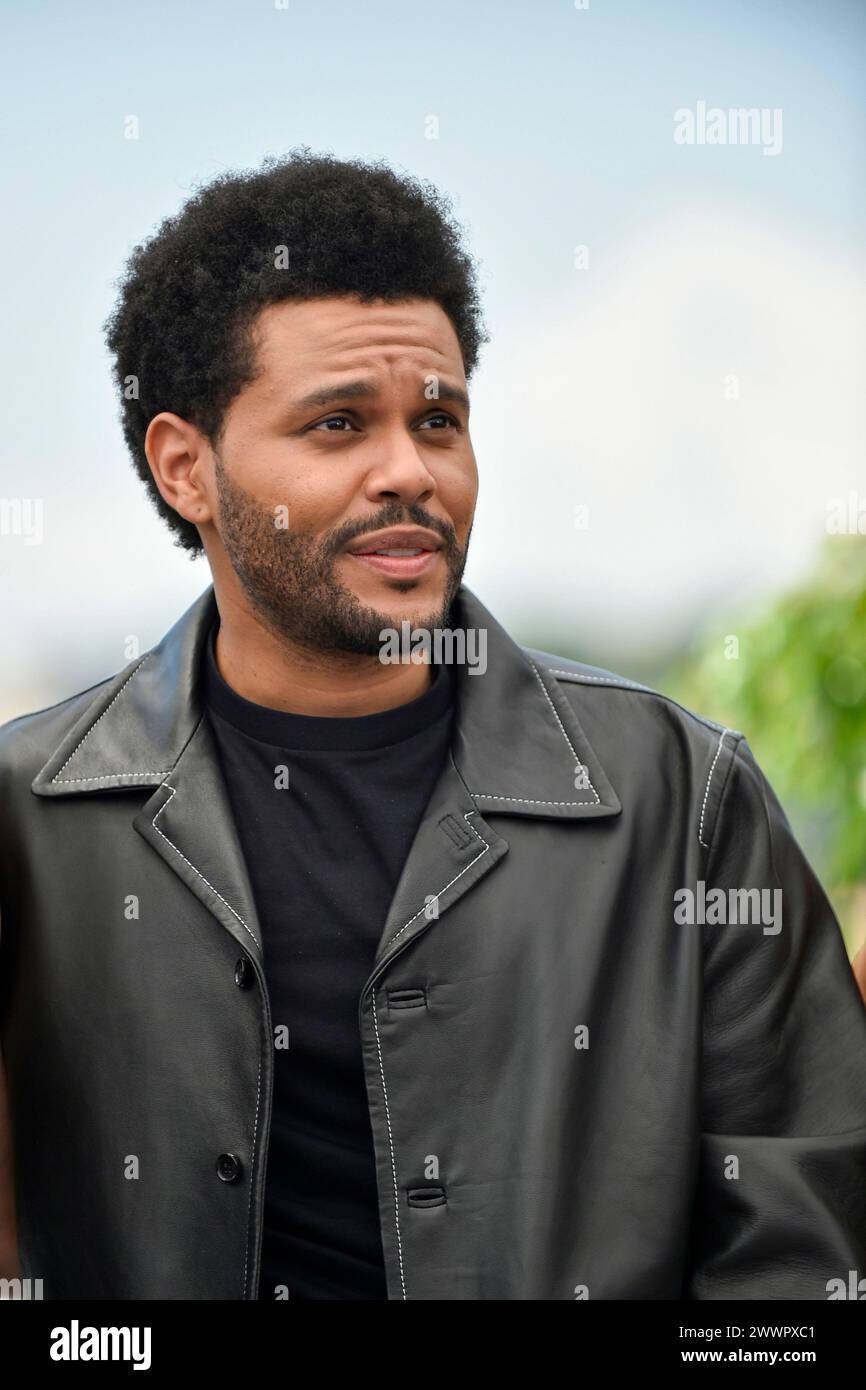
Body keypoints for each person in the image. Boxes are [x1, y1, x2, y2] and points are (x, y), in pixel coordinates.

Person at [1, 150, 865, 1301]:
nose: (408, 471)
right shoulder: (31, 813)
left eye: (439, 419)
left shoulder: (680, 798)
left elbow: (801, 1252)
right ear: (185, 468)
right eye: (338, 425)